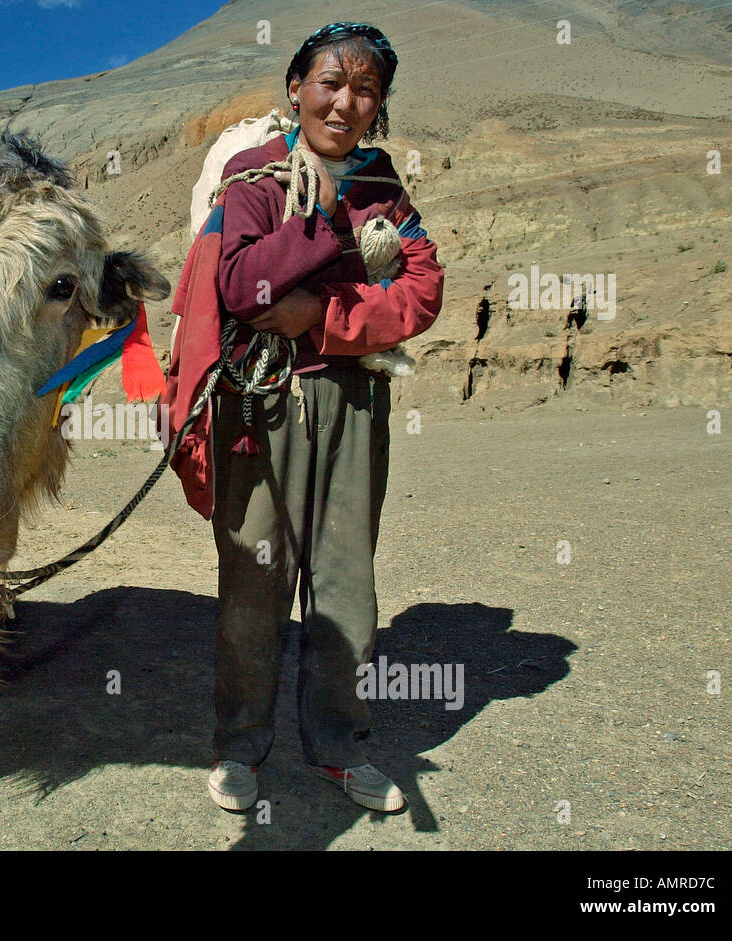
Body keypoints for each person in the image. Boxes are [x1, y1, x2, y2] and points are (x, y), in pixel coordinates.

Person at [164, 22, 444, 814]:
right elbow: (242, 285)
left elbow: (421, 294)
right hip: (259, 404)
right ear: (296, 87)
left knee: (347, 584)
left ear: (378, 105)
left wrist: (321, 317)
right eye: (330, 82)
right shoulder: (255, 179)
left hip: (352, 402)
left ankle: (339, 745)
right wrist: (316, 224)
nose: (345, 101)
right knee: (255, 581)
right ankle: (240, 745)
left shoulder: (386, 192)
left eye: (365, 89)